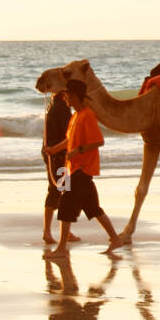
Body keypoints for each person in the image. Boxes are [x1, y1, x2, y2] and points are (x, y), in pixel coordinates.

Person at [46, 79, 122, 259]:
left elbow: (98, 141)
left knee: (65, 205)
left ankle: (62, 248)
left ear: (75, 96)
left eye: (68, 96)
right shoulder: (75, 116)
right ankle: (116, 239)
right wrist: (53, 149)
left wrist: (78, 150)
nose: (66, 100)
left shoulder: (87, 115)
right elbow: (68, 141)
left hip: (83, 168)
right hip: (74, 169)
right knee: (93, 208)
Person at [41, 89, 78, 245]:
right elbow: (69, 134)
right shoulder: (61, 107)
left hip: (52, 153)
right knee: (59, 192)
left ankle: (63, 231)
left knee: (60, 191)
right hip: (59, 155)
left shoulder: (53, 105)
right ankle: (48, 232)